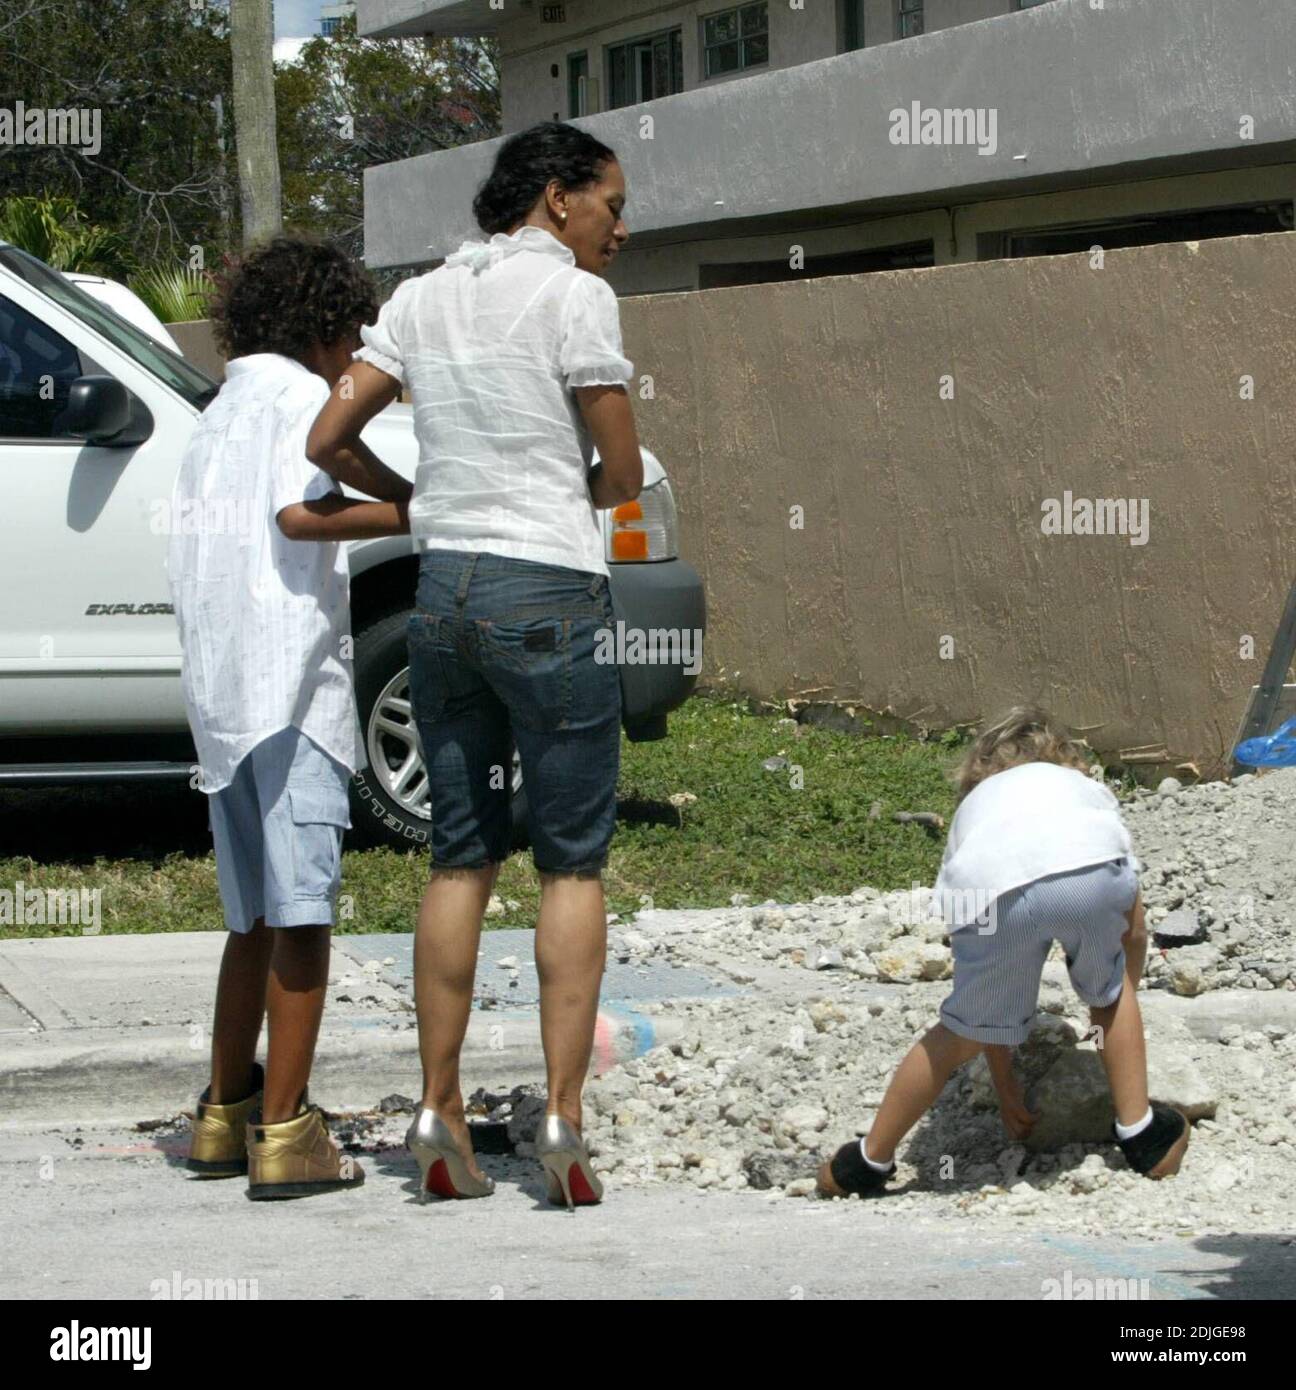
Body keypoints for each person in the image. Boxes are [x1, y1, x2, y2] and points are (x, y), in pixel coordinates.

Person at [308, 122, 642, 1208]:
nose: (620, 229)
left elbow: (326, 438)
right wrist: (566, 503)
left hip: (441, 594)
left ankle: (436, 1109)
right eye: (610, 204)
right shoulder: (574, 298)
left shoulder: (420, 297)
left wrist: (413, 499)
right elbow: (624, 468)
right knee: (572, 860)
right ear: (556, 199)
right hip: (544, 590)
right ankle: (561, 1114)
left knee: (458, 855)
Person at [171, 236, 412, 1199]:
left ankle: (224, 1113)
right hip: (292, 692)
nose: (355, 359)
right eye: (352, 336)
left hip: (223, 704)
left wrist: (391, 488)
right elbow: (298, 517)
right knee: (306, 917)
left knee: (254, 921)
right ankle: (289, 1131)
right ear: (320, 328)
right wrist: (406, 517)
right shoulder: (296, 404)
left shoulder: (218, 410)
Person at [816, 706, 1190, 1199]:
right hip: (1089, 871)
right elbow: (1136, 930)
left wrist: (1005, 1087)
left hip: (989, 892)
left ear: (979, 770)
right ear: (1065, 756)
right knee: (1110, 992)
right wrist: (1118, 1008)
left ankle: (865, 1162)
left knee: (960, 1030)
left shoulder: (978, 811)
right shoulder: (1080, 791)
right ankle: (1142, 1133)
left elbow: (989, 993)